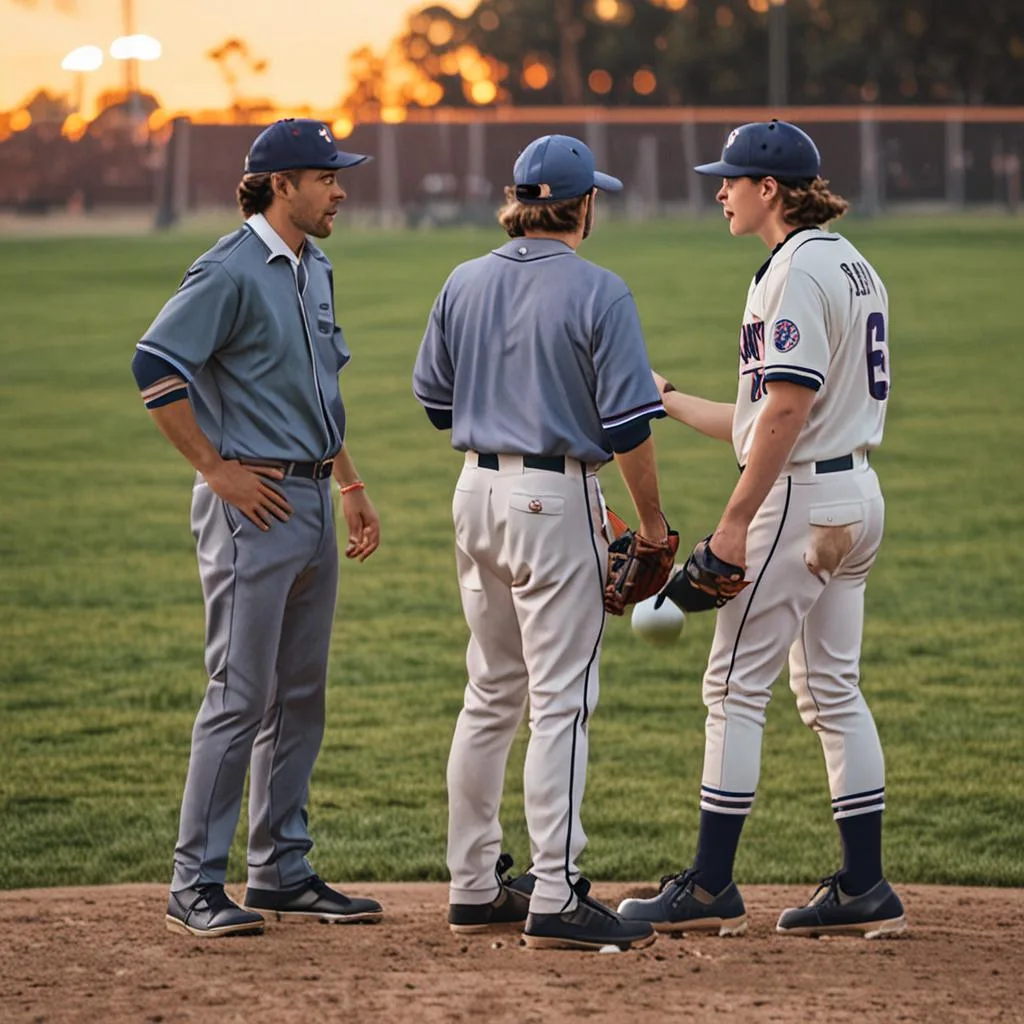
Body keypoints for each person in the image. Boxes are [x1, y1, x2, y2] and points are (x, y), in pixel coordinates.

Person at [618, 120, 906, 939]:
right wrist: (666, 394)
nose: (720, 190)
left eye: (731, 179)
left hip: (799, 503)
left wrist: (735, 524)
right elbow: (758, 416)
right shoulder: (847, 261)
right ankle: (864, 887)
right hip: (854, 496)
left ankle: (708, 885)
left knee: (733, 687)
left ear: (769, 190)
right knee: (831, 691)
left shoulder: (795, 272)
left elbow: (787, 408)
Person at [413, 134, 670, 952]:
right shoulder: (600, 290)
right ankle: (555, 894)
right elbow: (630, 425)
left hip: (474, 496)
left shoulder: (463, 278)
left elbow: (434, 402)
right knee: (562, 701)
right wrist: (654, 527)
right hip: (552, 501)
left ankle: (474, 883)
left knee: (491, 693)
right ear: (583, 205)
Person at [132, 118, 384, 937]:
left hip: (311, 502)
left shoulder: (315, 267)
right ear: (283, 185)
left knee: (301, 696)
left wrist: (349, 483)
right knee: (240, 696)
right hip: (253, 505)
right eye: (327, 177)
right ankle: (193, 883)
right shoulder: (231, 267)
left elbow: (321, 394)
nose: (340, 189)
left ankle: (280, 869)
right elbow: (155, 366)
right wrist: (213, 468)